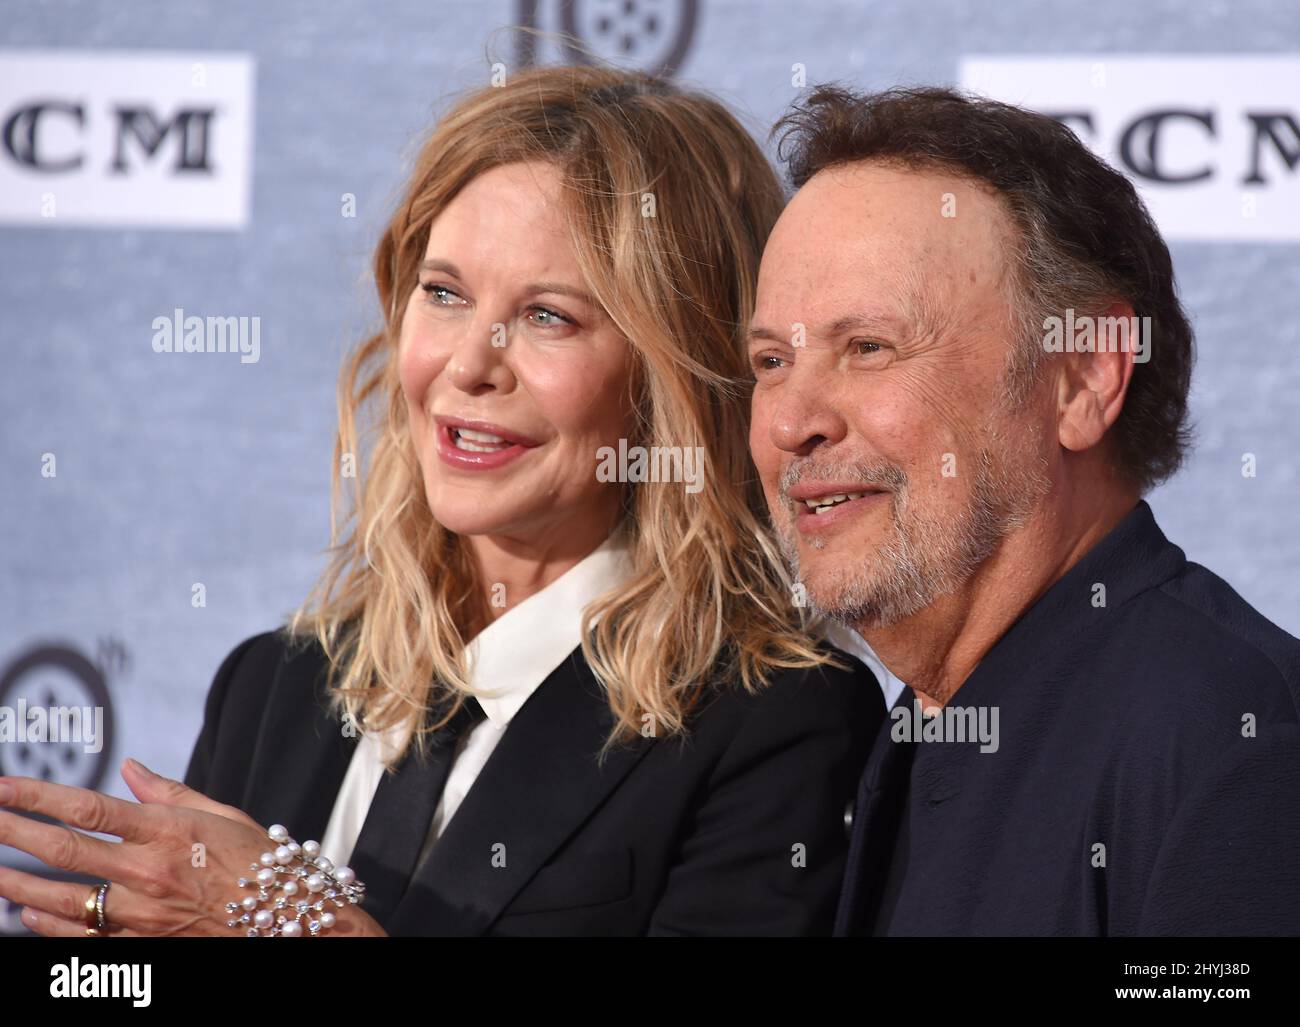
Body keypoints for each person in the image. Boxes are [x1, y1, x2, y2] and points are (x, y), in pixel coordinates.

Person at [0, 66, 882, 938]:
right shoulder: (274, 685)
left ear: (677, 375)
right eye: (446, 294)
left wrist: (294, 924)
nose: (468, 363)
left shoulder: (777, 721)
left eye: (548, 316)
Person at [747, 85, 1300, 935]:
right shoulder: (916, 732)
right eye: (773, 358)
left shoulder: (1235, 749)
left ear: (1082, 377)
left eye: (868, 348)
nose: (791, 421)